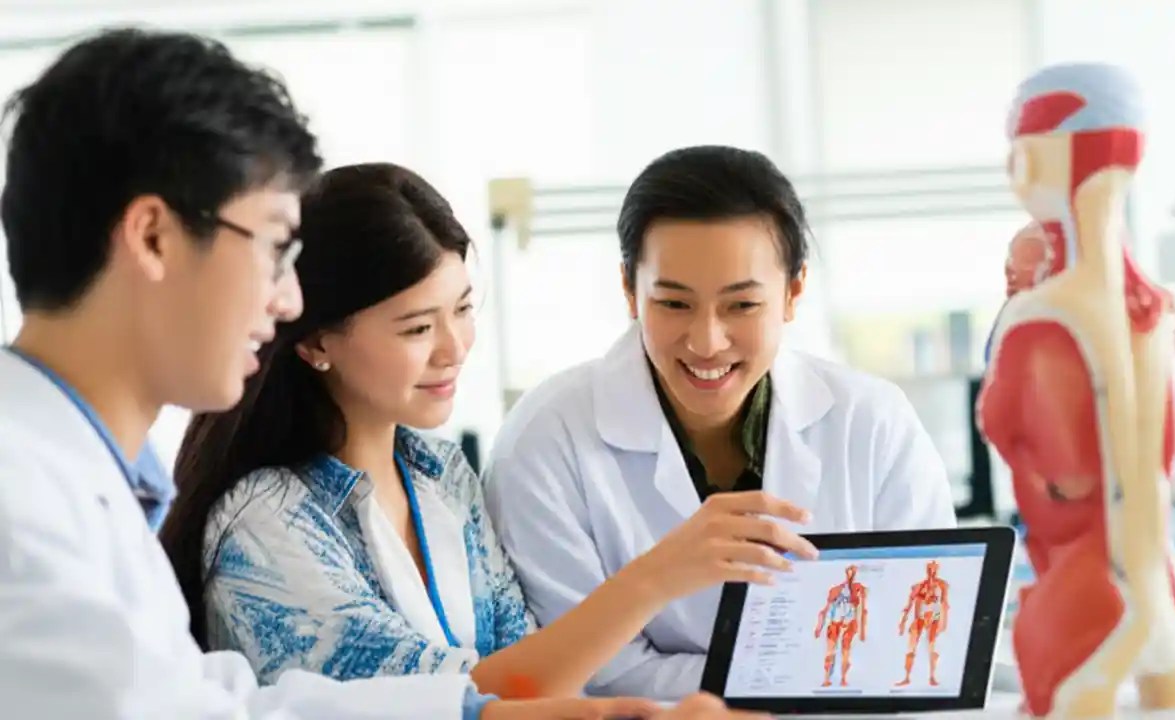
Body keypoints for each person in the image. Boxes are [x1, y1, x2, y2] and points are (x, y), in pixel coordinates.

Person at [0, 27, 736, 720]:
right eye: (273, 249)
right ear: (154, 236)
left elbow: (231, 709)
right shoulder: (25, 508)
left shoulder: (73, 486)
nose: (287, 300)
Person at [161, 161, 818, 699]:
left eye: (463, 310)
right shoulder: (266, 523)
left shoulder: (442, 476)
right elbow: (449, 707)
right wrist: (653, 579)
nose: (454, 349)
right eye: (417, 327)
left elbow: (531, 673)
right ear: (314, 342)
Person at [483, 145, 958, 699]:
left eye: (741, 306)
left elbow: (925, 646)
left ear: (793, 292)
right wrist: (810, 676)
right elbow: (588, 673)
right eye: (674, 304)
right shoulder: (546, 440)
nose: (707, 341)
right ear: (629, 290)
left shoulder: (874, 423)